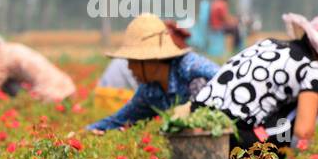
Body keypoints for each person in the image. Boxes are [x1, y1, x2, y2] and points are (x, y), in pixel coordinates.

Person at [192, 13, 318, 159]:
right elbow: (304, 131)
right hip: (232, 135)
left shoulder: (268, 44)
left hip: (196, 118)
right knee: (307, 109)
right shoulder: (312, 69)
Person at [87, 13, 219, 132]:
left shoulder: (189, 66)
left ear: (152, 59)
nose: (130, 68)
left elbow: (225, 78)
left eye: (133, 61)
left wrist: (193, 106)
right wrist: (86, 132)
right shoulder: (149, 91)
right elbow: (120, 119)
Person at [0, 25, 76, 104]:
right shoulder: (10, 49)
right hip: (67, 89)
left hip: (51, 94)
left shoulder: (0, 57)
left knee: (7, 86)